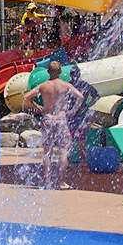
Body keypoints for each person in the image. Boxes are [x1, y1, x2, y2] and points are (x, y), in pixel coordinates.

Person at [25, 60, 83, 190]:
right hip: (61, 119)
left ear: (48, 72)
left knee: (47, 152)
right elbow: (81, 97)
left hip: (48, 119)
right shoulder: (65, 85)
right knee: (63, 151)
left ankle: (48, 182)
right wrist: (73, 111)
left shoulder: (43, 86)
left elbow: (26, 97)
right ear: (61, 71)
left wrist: (37, 107)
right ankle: (62, 182)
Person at [67, 64, 99, 164]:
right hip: (82, 112)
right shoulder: (85, 84)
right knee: (81, 138)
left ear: (71, 75)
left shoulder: (69, 85)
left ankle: (67, 160)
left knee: (69, 137)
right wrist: (88, 105)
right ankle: (83, 160)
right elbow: (97, 96)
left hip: (71, 113)